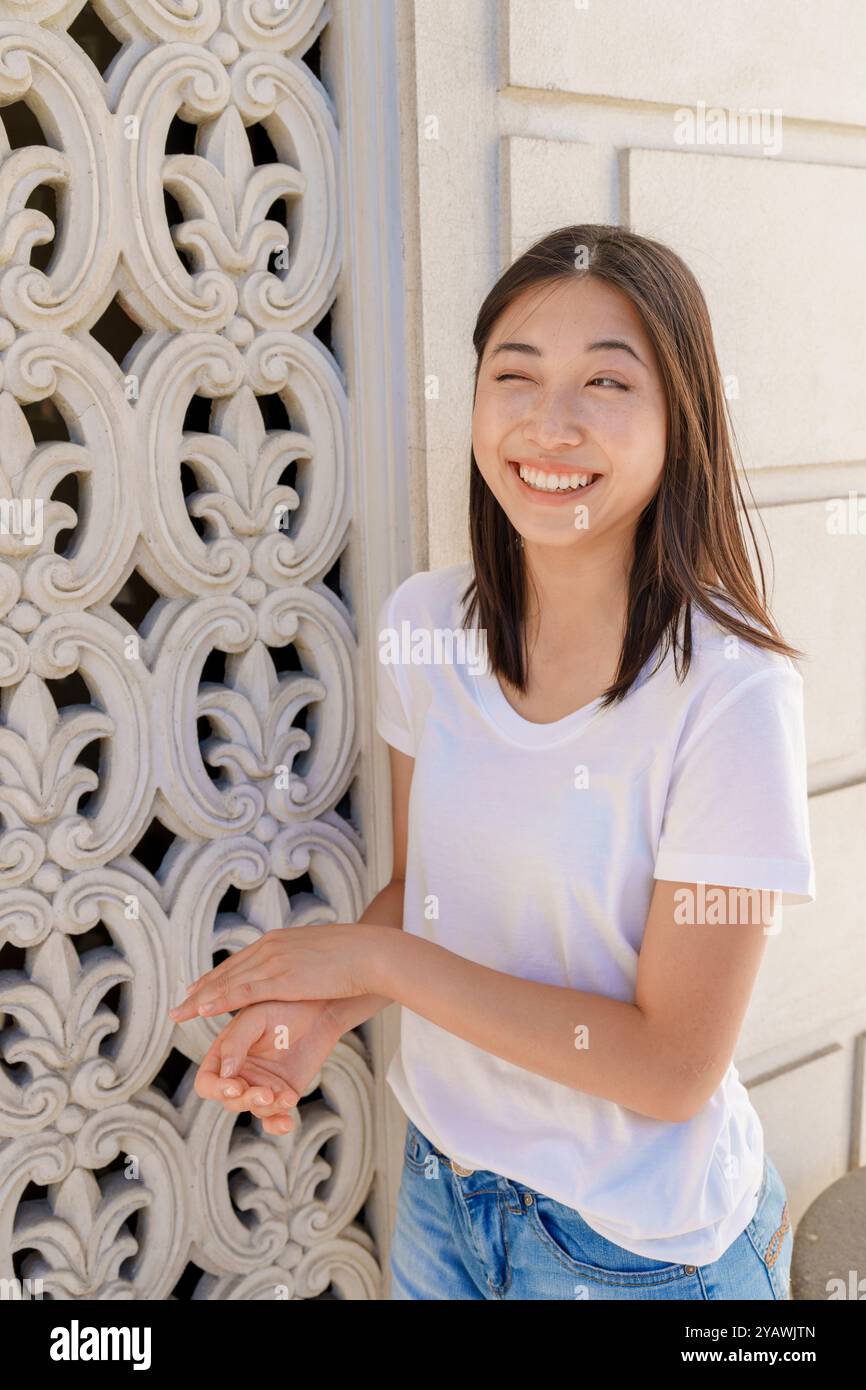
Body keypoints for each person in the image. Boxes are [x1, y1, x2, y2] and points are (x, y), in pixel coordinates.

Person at [170, 225, 815, 1301]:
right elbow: (425, 899)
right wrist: (318, 1017)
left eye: (605, 382)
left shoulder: (731, 693)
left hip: (637, 1254)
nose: (547, 422)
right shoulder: (426, 627)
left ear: (678, 421)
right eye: (513, 375)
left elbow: (670, 1069)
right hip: (444, 1194)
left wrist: (370, 968)